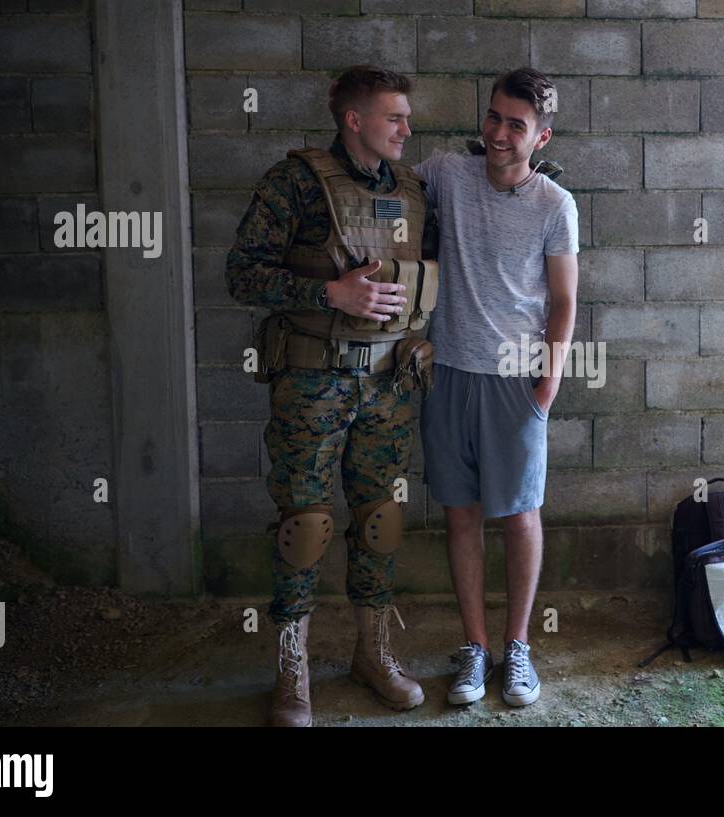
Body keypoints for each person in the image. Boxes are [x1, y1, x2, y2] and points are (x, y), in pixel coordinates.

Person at [225, 65, 438, 726]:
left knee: (380, 520)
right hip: (313, 380)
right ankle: (292, 668)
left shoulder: (412, 189)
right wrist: (328, 293)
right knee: (305, 528)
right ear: (354, 120)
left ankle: (371, 652)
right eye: (393, 116)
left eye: (406, 116)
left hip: (389, 382)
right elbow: (241, 273)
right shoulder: (295, 181)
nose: (407, 128)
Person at [414, 67, 580, 707]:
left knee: (517, 515)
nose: (500, 134)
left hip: (517, 382)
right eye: (494, 118)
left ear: (541, 136)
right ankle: (474, 651)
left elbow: (564, 300)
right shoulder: (448, 175)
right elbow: (384, 177)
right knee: (460, 514)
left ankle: (517, 651)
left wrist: (550, 378)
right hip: (449, 372)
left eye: (516, 125)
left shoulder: (553, 205)